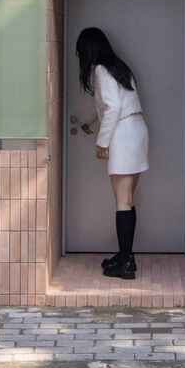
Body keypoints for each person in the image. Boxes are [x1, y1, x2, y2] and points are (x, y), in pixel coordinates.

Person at [76, 27, 147, 281]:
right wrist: (89, 124)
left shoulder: (100, 70)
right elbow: (111, 106)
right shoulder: (119, 67)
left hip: (123, 134)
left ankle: (126, 264)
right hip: (137, 130)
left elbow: (113, 107)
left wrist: (102, 142)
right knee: (127, 198)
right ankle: (126, 256)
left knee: (122, 201)